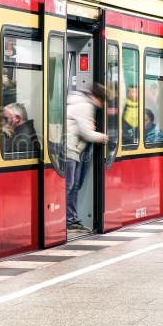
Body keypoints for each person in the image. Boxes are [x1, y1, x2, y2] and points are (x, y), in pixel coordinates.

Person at [65, 84, 107, 230]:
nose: (100, 105)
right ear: (97, 98)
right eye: (101, 102)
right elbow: (85, 133)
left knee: (73, 186)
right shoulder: (85, 105)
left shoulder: (77, 100)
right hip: (70, 149)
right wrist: (103, 137)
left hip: (72, 149)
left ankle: (71, 218)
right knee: (70, 186)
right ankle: (68, 219)